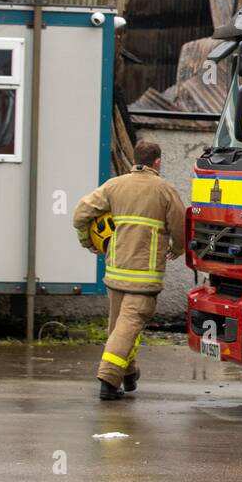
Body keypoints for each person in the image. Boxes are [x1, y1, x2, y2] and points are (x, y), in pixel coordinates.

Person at [73, 139, 186, 401]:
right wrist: (178, 249)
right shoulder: (165, 190)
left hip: (116, 273)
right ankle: (109, 378)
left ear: (135, 159)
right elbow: (180, 227)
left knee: (120, 327)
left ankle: (128, 373)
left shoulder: (114, 185)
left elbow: (80, 215)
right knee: (128, 326)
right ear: (157, 162)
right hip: (144, 277)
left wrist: (88, 242)